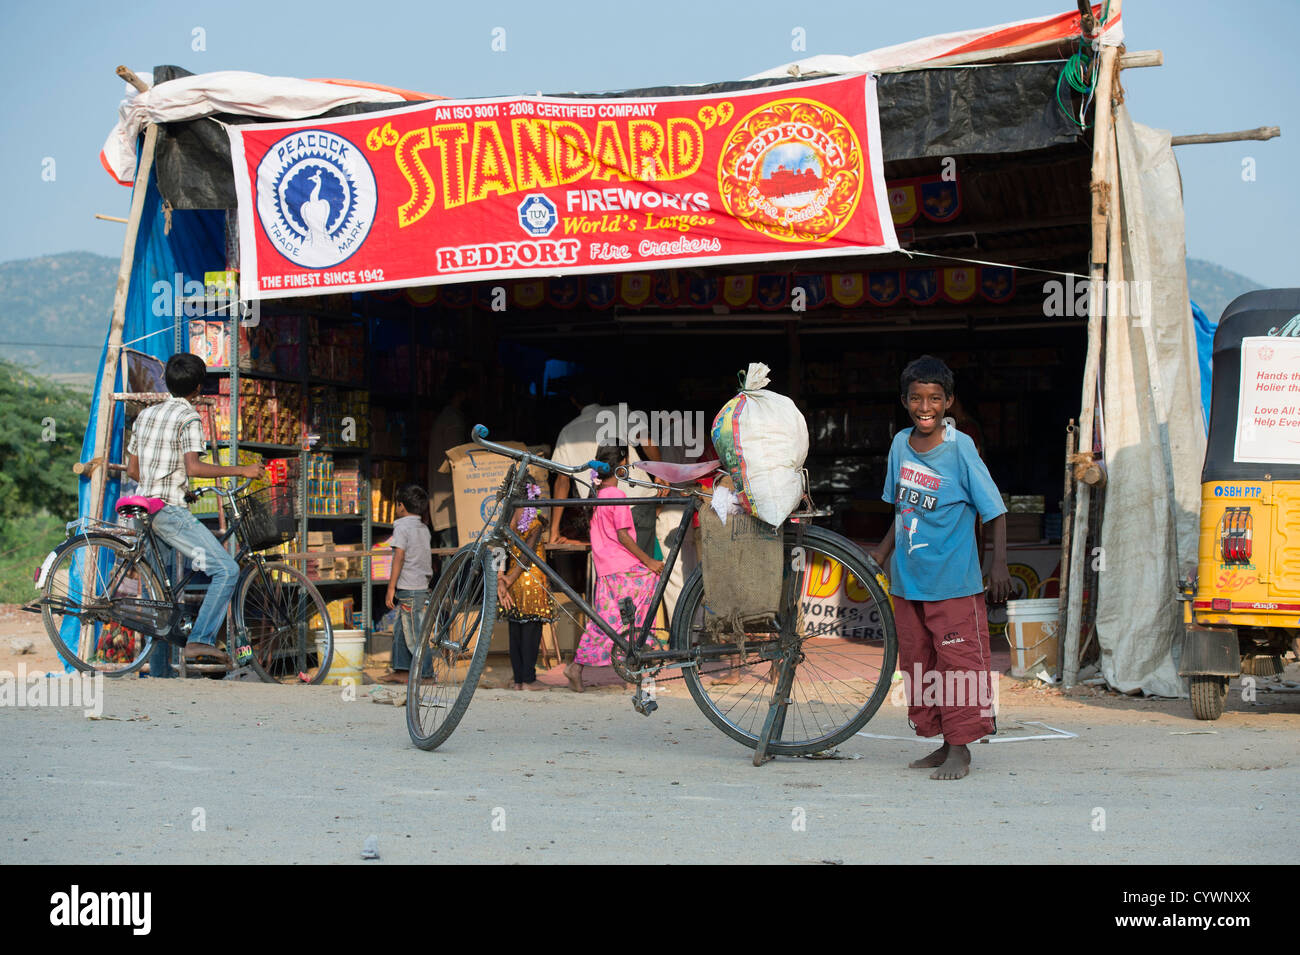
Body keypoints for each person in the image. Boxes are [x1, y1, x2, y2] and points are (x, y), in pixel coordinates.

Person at [869, 355, 1012, 781]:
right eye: (916, 398)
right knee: (919, 663)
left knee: (960, 664)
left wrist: (998, 564)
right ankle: (943, 740)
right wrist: (881, 553)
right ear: (904, 401)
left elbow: (995, 509)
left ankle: (961, 749)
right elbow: (900, 507)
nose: (924, 406)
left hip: (954, 582)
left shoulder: (960, 446)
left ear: (948, 401)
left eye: (934, 398)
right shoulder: (899, 444)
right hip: (909, 581)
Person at [124, 353, 263, 667]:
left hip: (143, 507)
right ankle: (199, 641)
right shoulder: (189, 417)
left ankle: (161, 674)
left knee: (161, 596)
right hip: (167, 511)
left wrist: (165, 482)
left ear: (168, 382)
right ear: (198, 386)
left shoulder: (146, 415)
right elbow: (194, 466)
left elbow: (133, 470)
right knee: (227, 570)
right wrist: (242, 471)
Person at [565, 446, 664, 692]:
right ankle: (636, 661)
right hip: (622, 567)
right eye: (627, 463)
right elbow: (623, 537)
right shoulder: (617, 496)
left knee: (605, 621)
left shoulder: (598, 496)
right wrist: (649, 560)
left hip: (607, 569)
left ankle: (577, 667)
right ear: (620, 465)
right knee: (650, 583)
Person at [548, 380, 661, 552]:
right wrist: (661, 474)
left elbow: (562, 482)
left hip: (603, 511)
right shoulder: (620, 413)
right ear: (600, 395)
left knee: (613, 568)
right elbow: (647, 441)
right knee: (641, 568)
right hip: (638, 500)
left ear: (573, 401)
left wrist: (554, 530)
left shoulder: (567, 432)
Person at [495, 471, 555, 690]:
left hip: (511, 579)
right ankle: (528, 679)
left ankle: (518, 679)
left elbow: (498, 551)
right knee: (531, 629)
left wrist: (501, 579)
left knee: (516, 631)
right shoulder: (536, 522)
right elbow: (527, 554)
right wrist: (507, 580)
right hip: (530, 579)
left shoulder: (507, 522)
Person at [381, 484, 434, 684]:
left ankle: (427, 674)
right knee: (401, 631)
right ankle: (402, 670)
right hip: (420, 586)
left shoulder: (401, 527)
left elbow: (399, 557)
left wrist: (390, 587)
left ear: (401, 506)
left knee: (414, 633)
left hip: (409, 588)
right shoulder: (423, 528)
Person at [428, 372, 471, 549]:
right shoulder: (453, 421)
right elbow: (458, 457)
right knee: (453, 559)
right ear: (461, 394)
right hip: (450, 506)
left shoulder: (446, 418)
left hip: (446, 505)